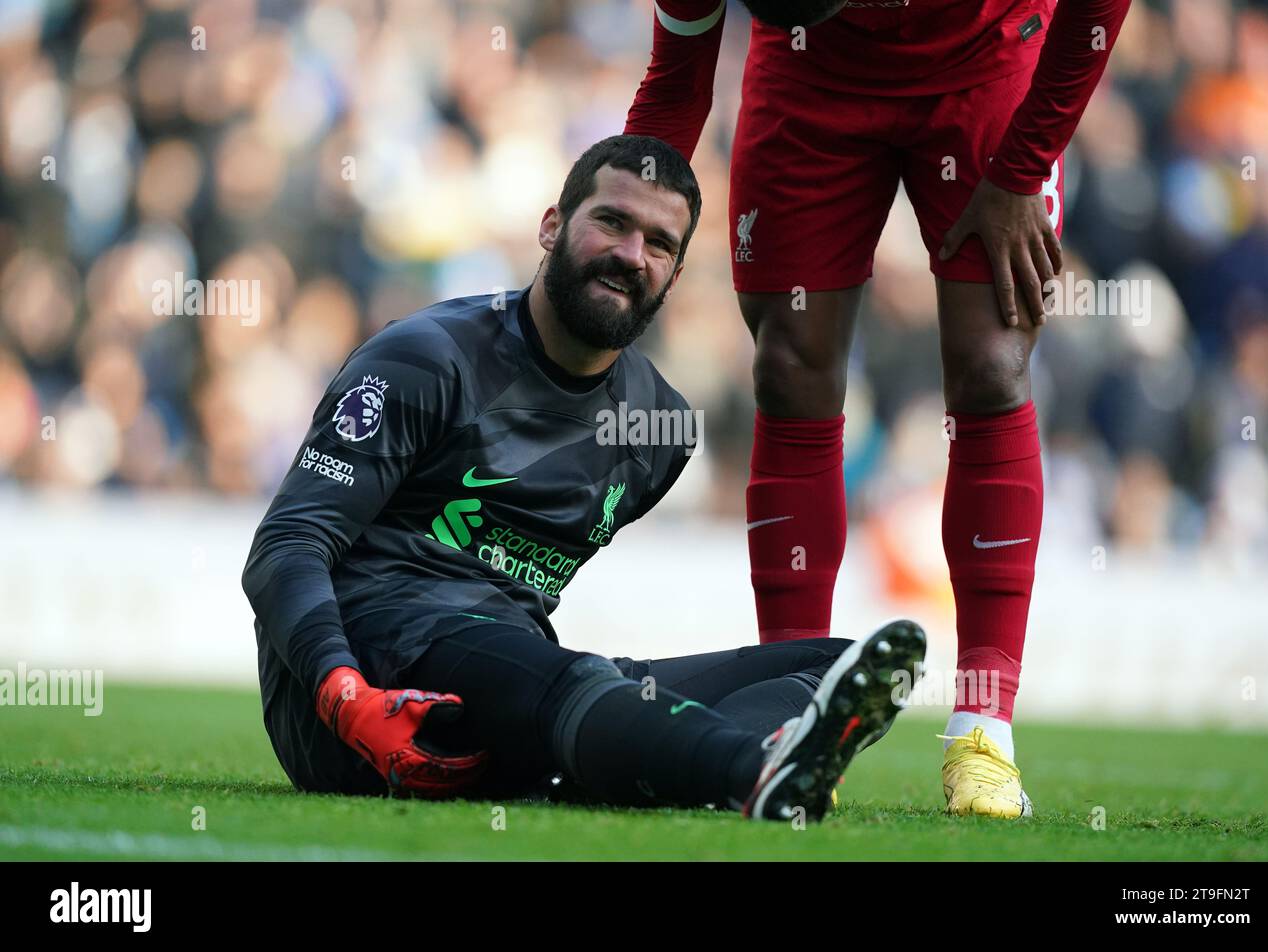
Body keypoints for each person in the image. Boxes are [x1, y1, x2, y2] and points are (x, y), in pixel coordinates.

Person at [242, 134, 926, 820]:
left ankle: (643, 757)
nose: (632, 255)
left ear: (675, 275)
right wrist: (343, 695)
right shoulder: (424, 359)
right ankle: (754, 773)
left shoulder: (659, 428)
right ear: (551, 227)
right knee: (576, 681)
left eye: (660, 244)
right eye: (612, 222)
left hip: (520, 675)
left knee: (849, 665)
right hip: (367, 687)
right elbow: (286, 546)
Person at [624, 0, 1132, 818]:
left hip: (988, 56)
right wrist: (620, 231)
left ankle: (983, 729)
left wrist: (1021, 168)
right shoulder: (787, 19)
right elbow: (675, 87)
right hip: (809, 78)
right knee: (788, 369)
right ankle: (788, 717)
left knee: (992, 362)